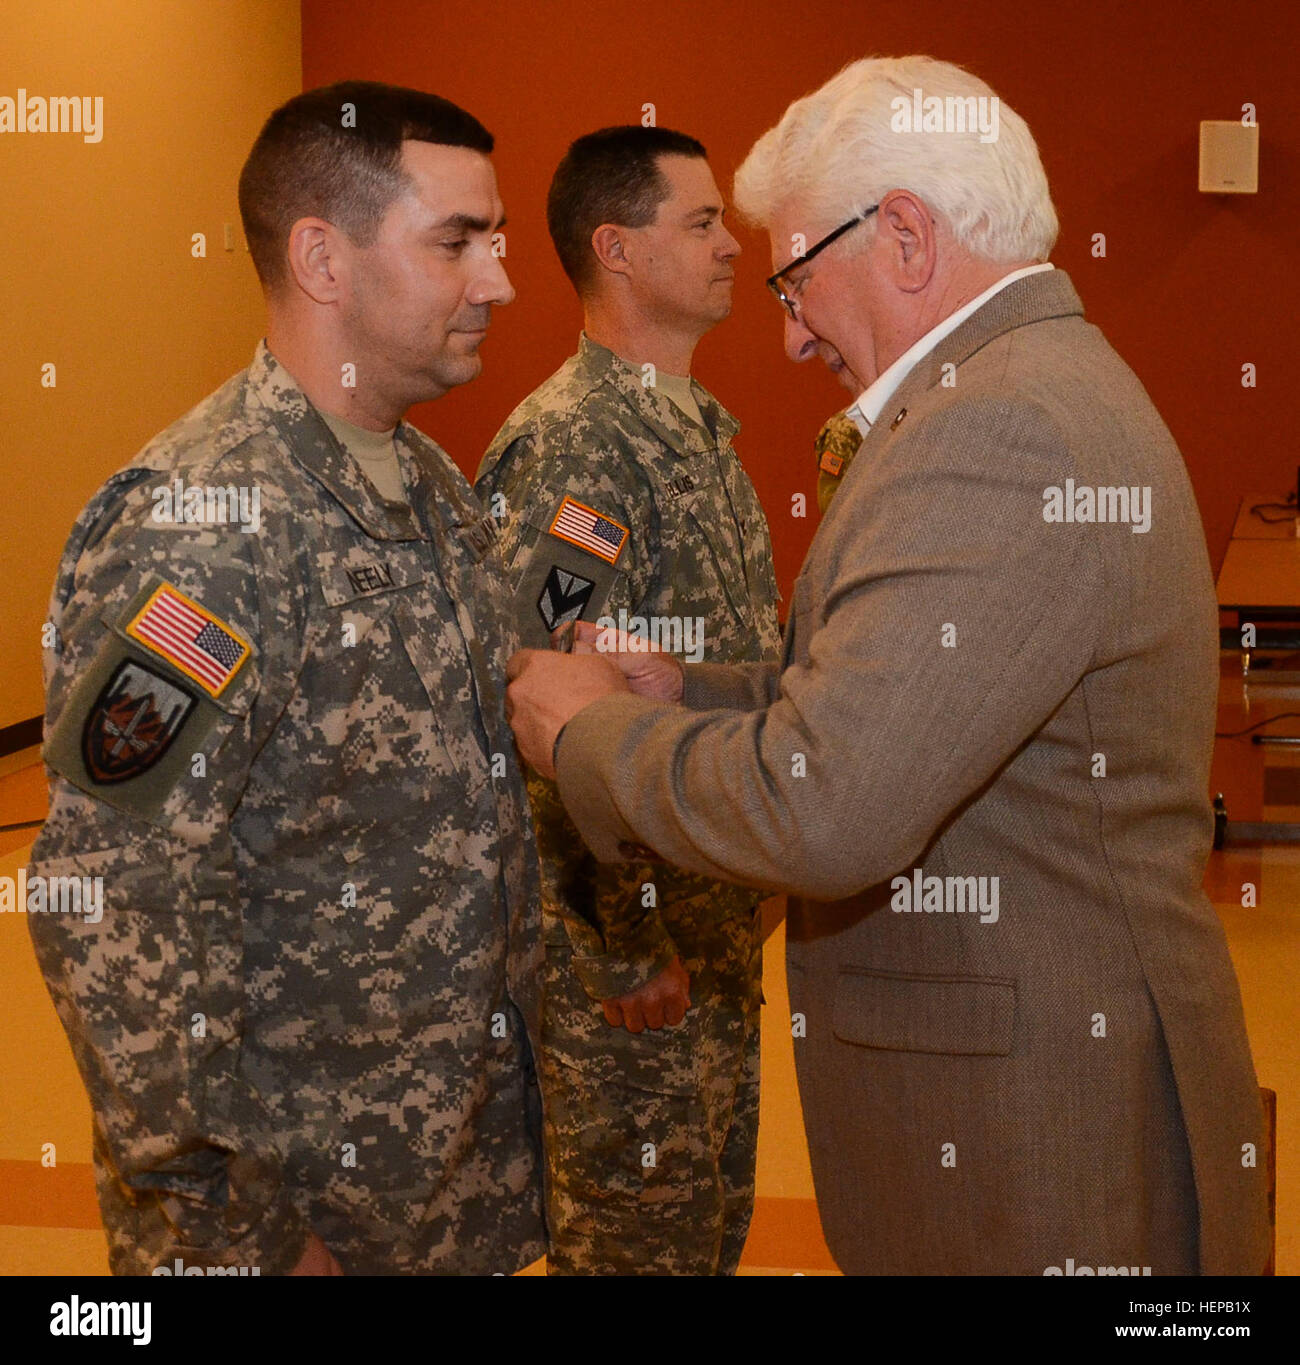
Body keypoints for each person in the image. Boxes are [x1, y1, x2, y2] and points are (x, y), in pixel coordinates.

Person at [502, 55, 1271, 1275]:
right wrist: (682, 694)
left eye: (797, 280)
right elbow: (886, 698)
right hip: (1036, 1101)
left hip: (1036, 1143)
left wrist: (587, 737)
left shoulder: (994, 430)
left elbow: (829, 803)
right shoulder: (1022, 391)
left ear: (904, 237)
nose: (794, 332)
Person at [27, 81, 544, 1276]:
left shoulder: (427, 489)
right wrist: (245, 1224)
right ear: (322, 256)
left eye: (499, 238)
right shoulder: (201, 527)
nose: (501, 281)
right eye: (458, 240)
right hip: (296, 1219)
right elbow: (112, 900)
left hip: (442, 1185)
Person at [476, 126, 781, 1275]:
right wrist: (621, 948)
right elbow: (537, 711)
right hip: (633, 969)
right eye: (700, 223)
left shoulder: (696, 430)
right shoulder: (578, 448)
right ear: (617, 247)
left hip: (710, 935)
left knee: (706, 1237)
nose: (731, 245)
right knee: (639, 1251)